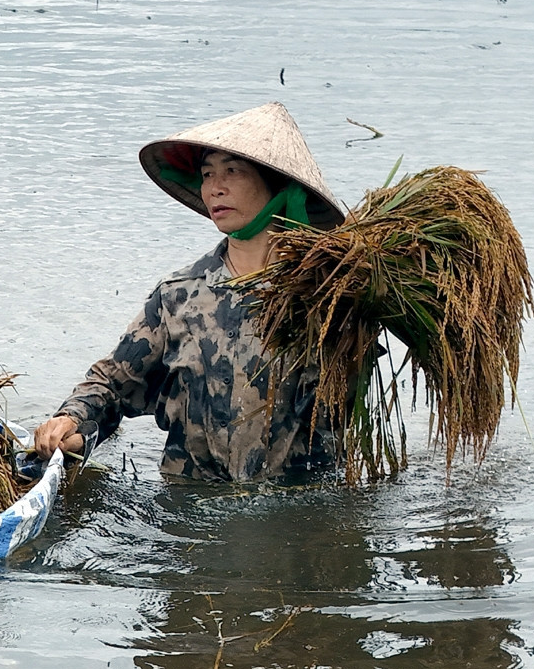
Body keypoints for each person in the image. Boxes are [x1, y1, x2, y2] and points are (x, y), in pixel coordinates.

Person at [32, 102, 348, 481]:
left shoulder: (332, 293)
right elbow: (114, 383)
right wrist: (73, 420)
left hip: (302, 510)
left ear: (279, 186)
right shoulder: (179, 296)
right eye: (207, 173)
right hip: (191, 506)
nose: (215, 188)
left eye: (233, 171)